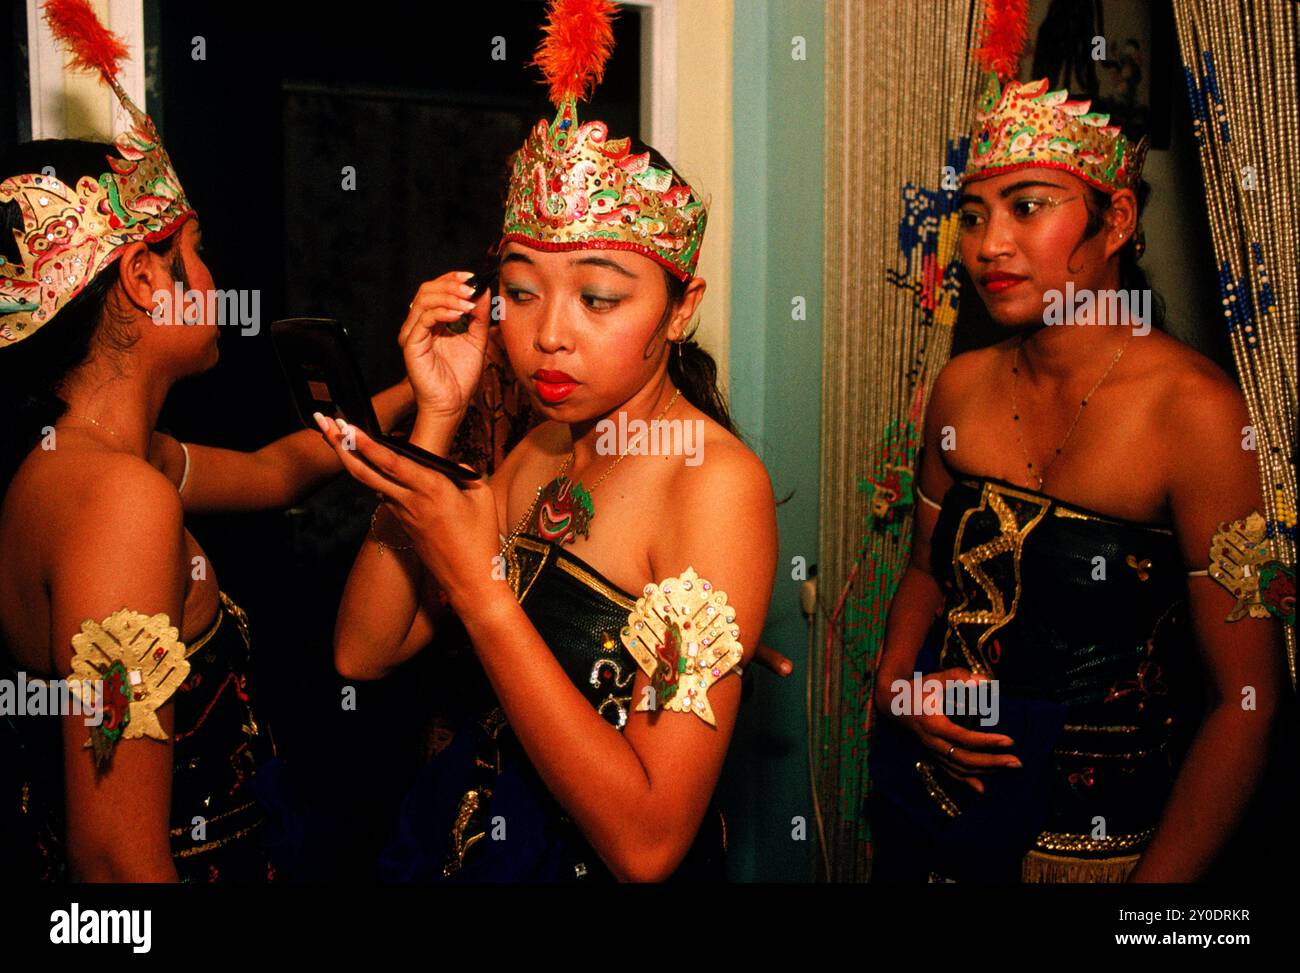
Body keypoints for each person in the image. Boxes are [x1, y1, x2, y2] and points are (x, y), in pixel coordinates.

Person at [316, 0, 778, 882]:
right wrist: (436, 419)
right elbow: (362, 650)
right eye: (522, 293)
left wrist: (482, 594)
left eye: (598, 298)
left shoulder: (714, 486)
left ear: (681, 307)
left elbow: (649, 842)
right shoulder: (538, 450)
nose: (549, 335)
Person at [0, 3, 413, 881]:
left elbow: (279, 471)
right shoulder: (119, 501)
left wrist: (422, 383)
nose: (217, 279)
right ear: (144, 278)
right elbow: (115, 858)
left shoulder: (105, 459)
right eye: (197, 249)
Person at [869, 73, 1285, 882]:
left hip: (1096, 849)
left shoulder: (1197, 415)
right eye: (973, 215)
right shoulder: (960, 387)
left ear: (1116, 220)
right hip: (929, 817)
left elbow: (1247, 704)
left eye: (1027, 206)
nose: (990, 244)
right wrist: (896, 684)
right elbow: (925, 569)